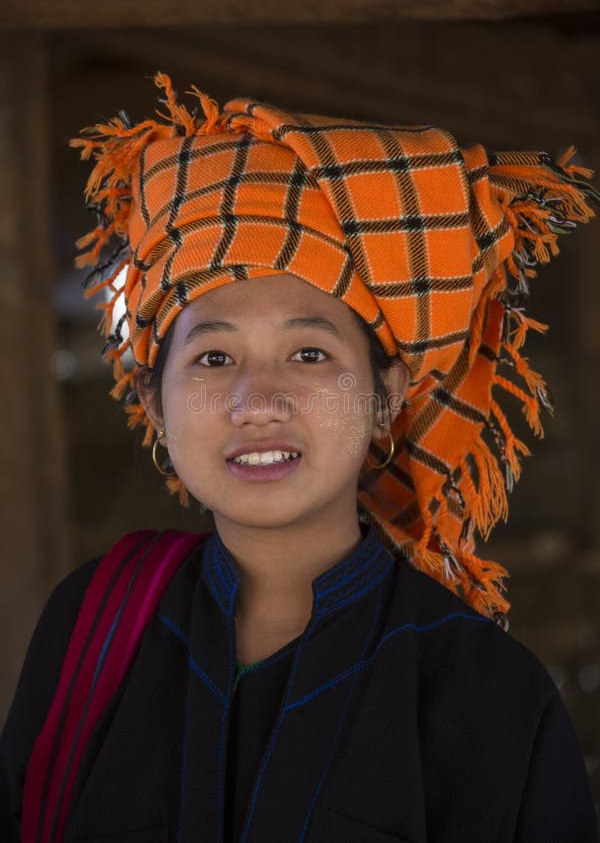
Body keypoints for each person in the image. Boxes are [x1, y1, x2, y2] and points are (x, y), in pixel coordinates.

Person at [1, 73, 598, 842]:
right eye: (214, 360)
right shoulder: (95, 622)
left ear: (386, 397)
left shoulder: (480, 692)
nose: (258, 401)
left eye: (310, 352)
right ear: (154, 404)